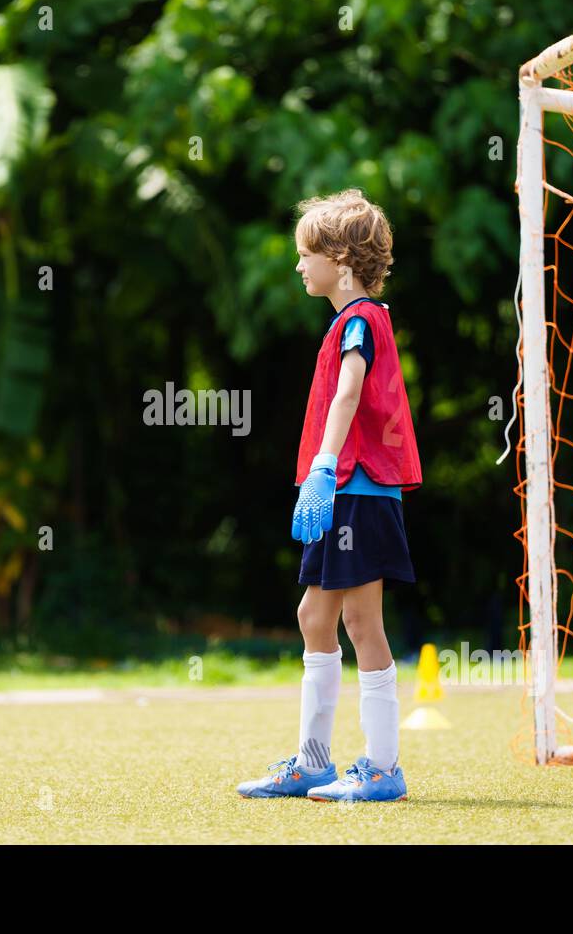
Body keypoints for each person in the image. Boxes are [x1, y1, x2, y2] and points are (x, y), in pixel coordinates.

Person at [237, 188, 423, 803]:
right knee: (314, 616)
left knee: (361, 622)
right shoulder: (350, 322)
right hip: (343, 488)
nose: (298, 265)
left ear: (340, 260)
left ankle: (382, 767)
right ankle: (315, 762)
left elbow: (349, 394)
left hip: (358, 491)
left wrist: (322, 467)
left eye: (306, 254)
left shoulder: (361, 321)